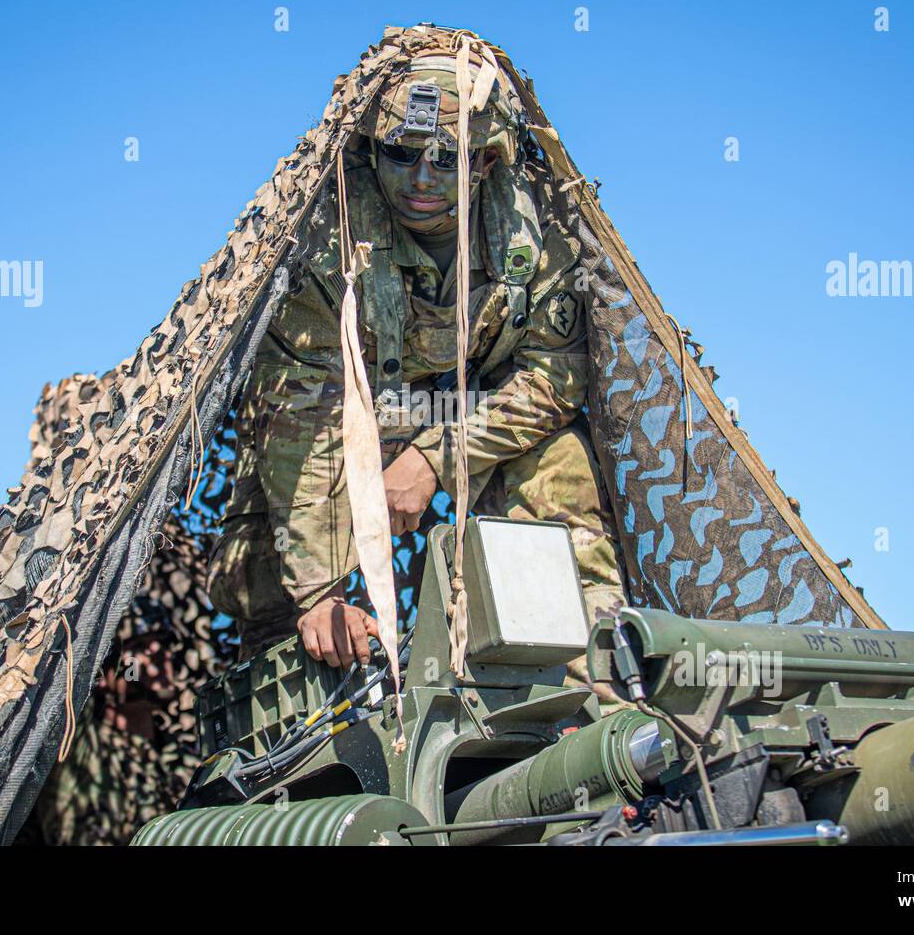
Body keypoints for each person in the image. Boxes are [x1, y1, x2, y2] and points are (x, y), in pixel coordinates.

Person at [211, 48, 624, 677]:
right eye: (402, 153)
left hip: (468, 421)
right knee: (266, 575)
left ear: (485, 162)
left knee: (560, 463)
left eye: (447, 159)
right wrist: (320, 594)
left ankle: (594, 678)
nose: (423, 179)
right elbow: (297, 414)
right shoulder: (325, 248)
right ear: (374, 149)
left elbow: (554, 377)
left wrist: (439, 456)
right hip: (335, 432)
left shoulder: (537, 237)